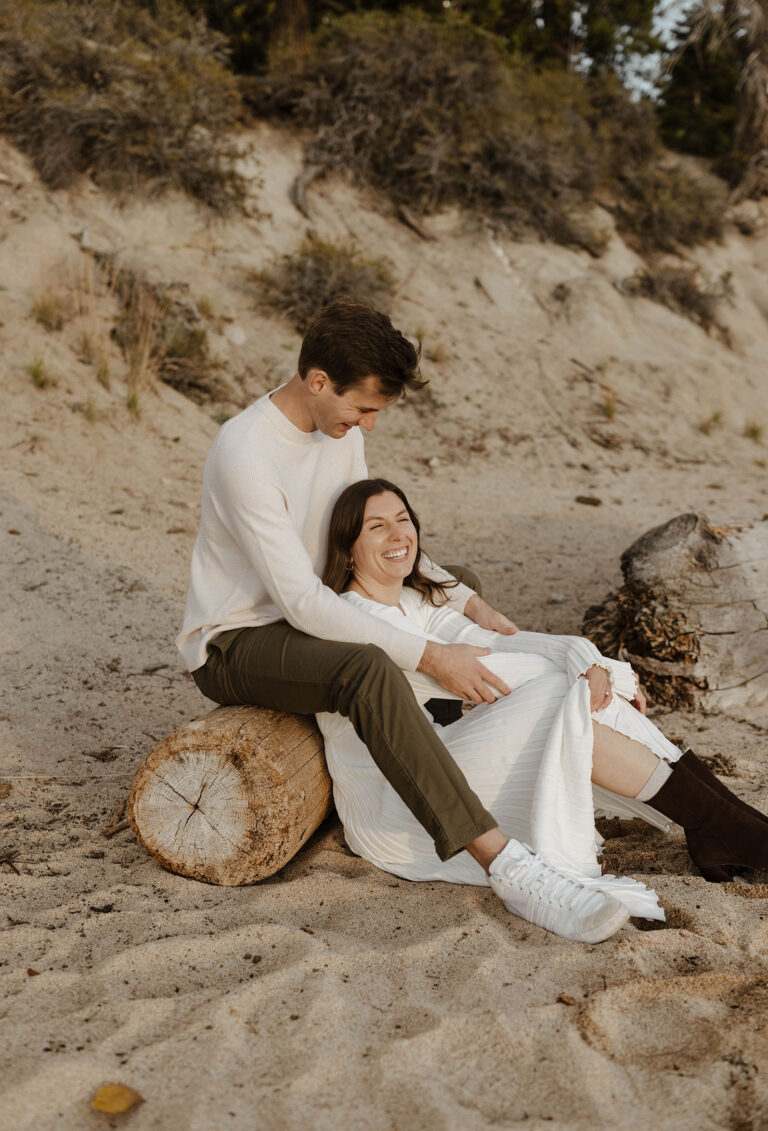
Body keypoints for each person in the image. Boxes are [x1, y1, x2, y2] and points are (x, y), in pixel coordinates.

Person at [316, 478, 768, 936]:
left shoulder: (416, 601)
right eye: (377, 527)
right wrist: (588, 675)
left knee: (573, 685)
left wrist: (593, 661)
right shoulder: (357, 619)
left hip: (437, 764)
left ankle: (727, 825)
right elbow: (500, 676)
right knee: (559, 695)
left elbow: (500, 644)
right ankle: (725, 827)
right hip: (401, 801)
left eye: (403, 520)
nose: (397, 536)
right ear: (348, 549)